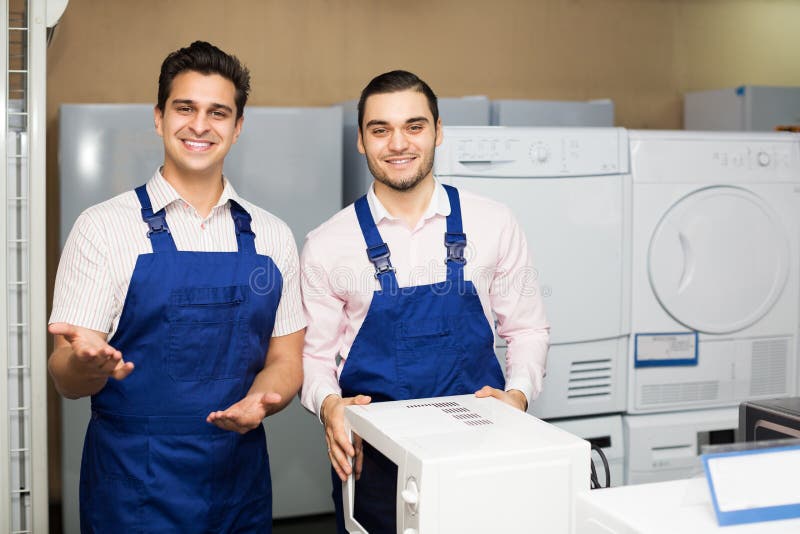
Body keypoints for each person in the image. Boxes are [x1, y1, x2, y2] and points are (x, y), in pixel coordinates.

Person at [48, 41, 305, 533]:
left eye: (218, 112)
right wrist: (85, 366)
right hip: (133, 488)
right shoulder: (102, 228)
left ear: (238, 126)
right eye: (185, 108)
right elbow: (65, 377)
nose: (200, 125)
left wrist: (263, 398)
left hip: (238, 483)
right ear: (159, 117)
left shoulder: (272, 236)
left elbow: (286, 360)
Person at [300, 70, 550, 533]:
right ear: (361, 140)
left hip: (482, 451)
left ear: (438, 131)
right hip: (374, 463)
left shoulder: (494, 222)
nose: (398, 143)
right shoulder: (327, 243)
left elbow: (527, 328)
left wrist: (517, 396)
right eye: (380, 129)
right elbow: (314, 358)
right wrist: (330, 406)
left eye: (414, 126)